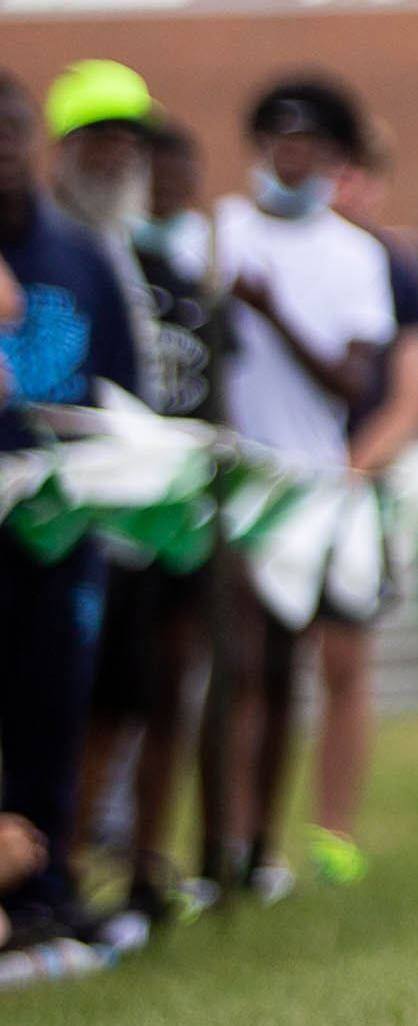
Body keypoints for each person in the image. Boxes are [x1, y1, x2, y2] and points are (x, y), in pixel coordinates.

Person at [205, 76, 410, 901]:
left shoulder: (356, 256)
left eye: (310, 145)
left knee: (298, 667)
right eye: (281, 142)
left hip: (316, 486)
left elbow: (352, 379)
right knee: (242, 665)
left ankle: (275, 842)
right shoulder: (219, 232)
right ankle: (226, 842)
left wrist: (272, 311)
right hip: (234, 478)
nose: (293, 158)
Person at [49, 75, 216, 932]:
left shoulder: (144, 260)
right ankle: (47, 878)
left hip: (134, 519)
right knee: (59, 701)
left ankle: (84, 878)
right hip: (50, 513)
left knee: (125, 697)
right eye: (99, 138)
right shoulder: (45, 247)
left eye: (130, 140)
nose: (118, 155)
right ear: (62, 148)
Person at [0, 68, 146, 967]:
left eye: (12, 131)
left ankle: (46, 890)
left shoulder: (81, 257)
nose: (2, 150)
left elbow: (121, 395)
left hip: (61, 531)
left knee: (54, 707)